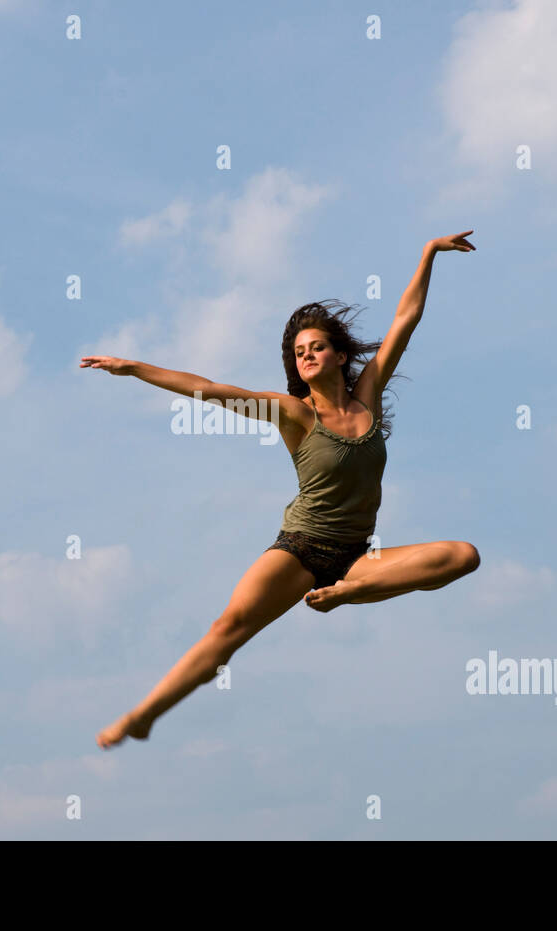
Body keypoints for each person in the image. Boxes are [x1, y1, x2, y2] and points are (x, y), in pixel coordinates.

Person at [82, 232, 481, 749]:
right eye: (298, 352)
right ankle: (142, 715)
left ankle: (349, 594)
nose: (307, 356)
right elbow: (213, 390)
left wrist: (428, 252)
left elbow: (405, 320)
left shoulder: (368, 400)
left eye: (317, 348)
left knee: (462, 557)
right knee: (228, 630)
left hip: (355, 560)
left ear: (339, 356)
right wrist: (134, 368)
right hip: (300, 550)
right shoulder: (294, 413)